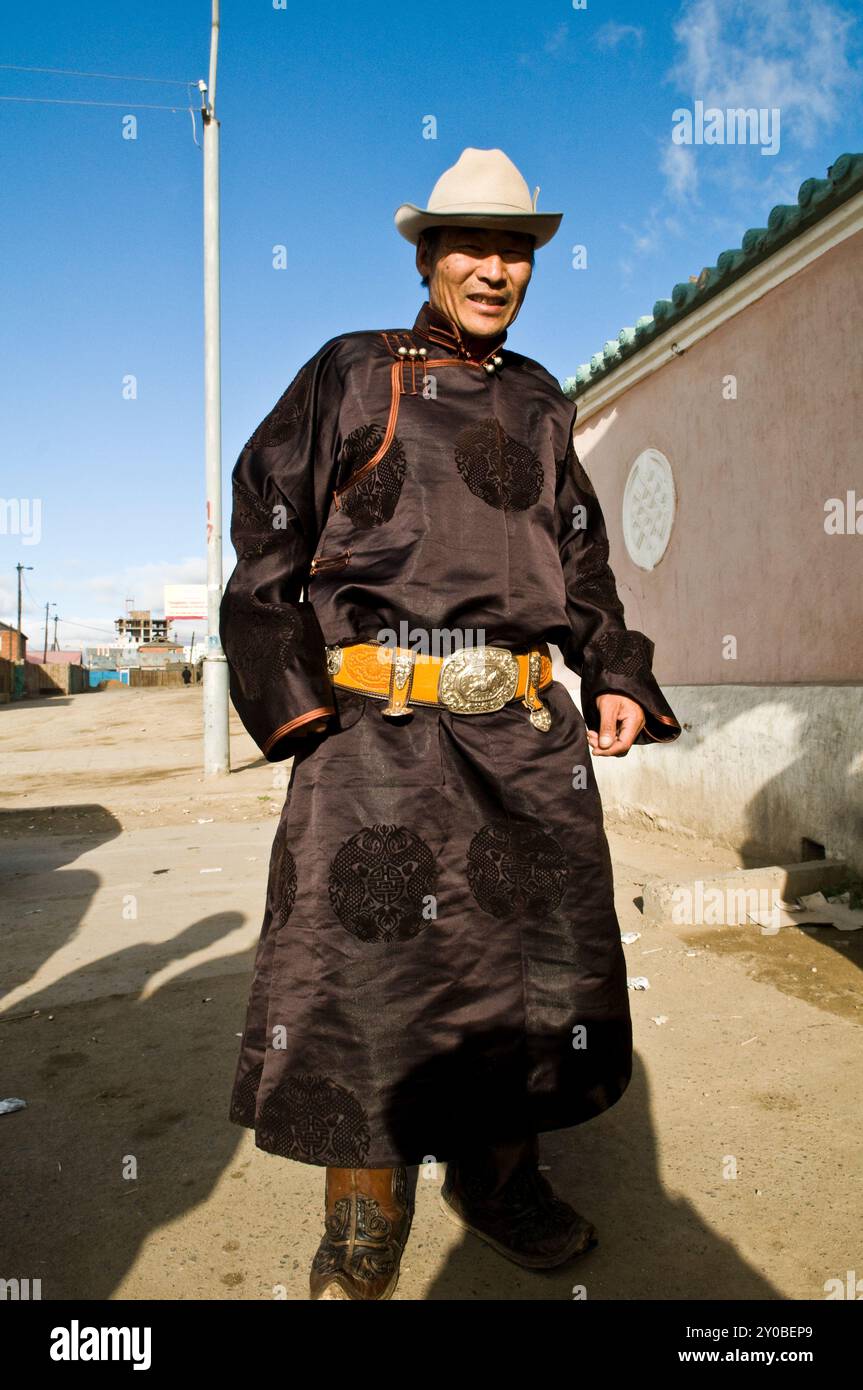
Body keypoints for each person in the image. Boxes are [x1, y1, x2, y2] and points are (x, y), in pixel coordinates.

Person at [220, 147, 682, 1301]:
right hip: (376, 732)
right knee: (367, 980)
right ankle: (363, 1216)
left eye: (513, 249)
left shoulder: (537, 399)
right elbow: (266, 533)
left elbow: (581, 561)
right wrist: (293, 703)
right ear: (426, 256)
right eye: (468, 246)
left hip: (523, 733)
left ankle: (498, 1178)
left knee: (529, 977)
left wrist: (612, 667)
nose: (492, 268)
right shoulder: (351, 370)